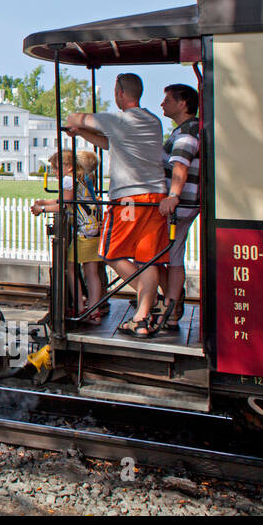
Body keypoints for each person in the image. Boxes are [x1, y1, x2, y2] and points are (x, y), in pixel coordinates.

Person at [64, 72, 168, 338]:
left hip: (129, 199)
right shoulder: (153, 121)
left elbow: (75, 117)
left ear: (120, 93)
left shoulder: (118, 119)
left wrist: (77, 124)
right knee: (148, 260)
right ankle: (142, 317)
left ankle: (148, 294)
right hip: (156, 198)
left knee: (109, 253)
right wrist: (85, 133)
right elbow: (111, 144)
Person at [31, 149, 105, 323]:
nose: (54, 173)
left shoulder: (68, 180)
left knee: (70, 268)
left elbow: (64, 204)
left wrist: (41, 209)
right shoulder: (83, 177)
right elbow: (64, 200)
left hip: (85, 230)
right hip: (94, 226)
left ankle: (80, 307)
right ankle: (94, 311)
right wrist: (45, 202)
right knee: (91, 271)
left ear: (69, 167)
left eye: (56, 169)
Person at [158, 83, 200, 332]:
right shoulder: (188, 129)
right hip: (187, 205)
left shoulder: (186, 132)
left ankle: (165, 302)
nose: (163, 104)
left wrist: (172, 196)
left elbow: (180, 166)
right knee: (174, 257)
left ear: (183, 103)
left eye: (167, 99)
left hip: (178, 206)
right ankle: (171, 308)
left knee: (147, 257)